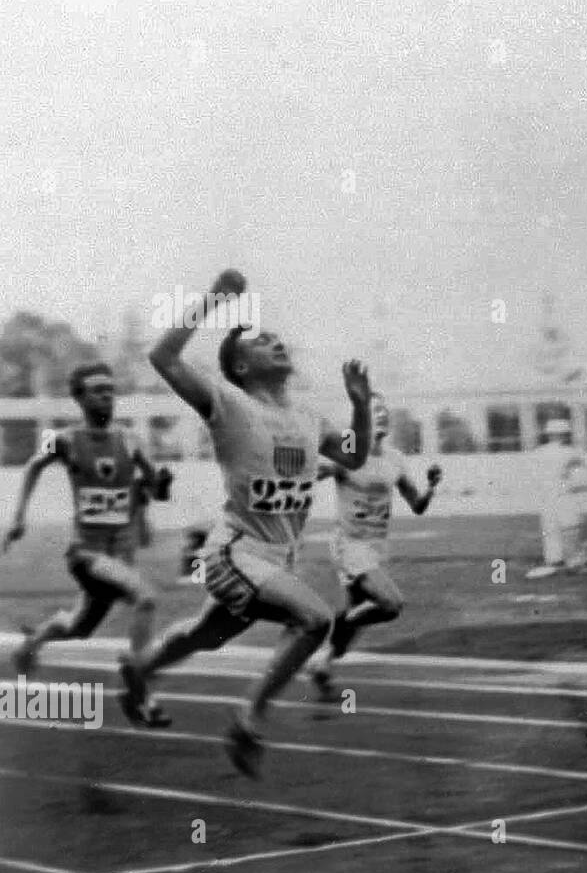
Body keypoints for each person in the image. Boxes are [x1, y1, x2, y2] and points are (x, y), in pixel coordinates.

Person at [124, 269, 373, 777]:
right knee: (314, 619)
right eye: (263, 340)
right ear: (240, 364)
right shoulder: (229, 403)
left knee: (205, 636)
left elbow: (354, 455)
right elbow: (162, 356)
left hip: (273, 558)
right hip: (234, 553)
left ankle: (139, 670)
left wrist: (362, 407)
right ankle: (249, 718)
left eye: (279, 339)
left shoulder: (309, 417)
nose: (278, 342)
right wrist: (214, 299)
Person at [3, 364, 171, 725]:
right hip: (86, 553)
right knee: (146, 598)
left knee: (79, 627)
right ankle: (141, 693)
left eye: (111, 389)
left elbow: (157, 486)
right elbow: (33, 465)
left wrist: (160, 485)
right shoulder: (63, 438)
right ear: (79, 398)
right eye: (97, 390)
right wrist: (18, 517)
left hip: (120, 555)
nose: (107, 395)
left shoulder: (131, 440)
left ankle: (31, 645)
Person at [311, 391, 441, 698]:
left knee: (358, 611)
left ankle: (323, 665)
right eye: (373, 411)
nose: (381, 415)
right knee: (390, 604)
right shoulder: (349, 452)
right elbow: (315, 471)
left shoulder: (395, 459)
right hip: (349, 545)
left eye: (384, 410)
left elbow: (417, 505)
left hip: (373, 547)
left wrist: (432, 486)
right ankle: (333, 632)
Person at [525, 419, 585, 579]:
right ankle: (573, 560)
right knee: (570, 526)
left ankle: (554, 559)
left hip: (546, 494)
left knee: (550, 528)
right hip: (564, 492)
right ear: (563, 435)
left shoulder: (538, 452)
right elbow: (579, 473)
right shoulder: (572, 452)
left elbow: (533, 476)